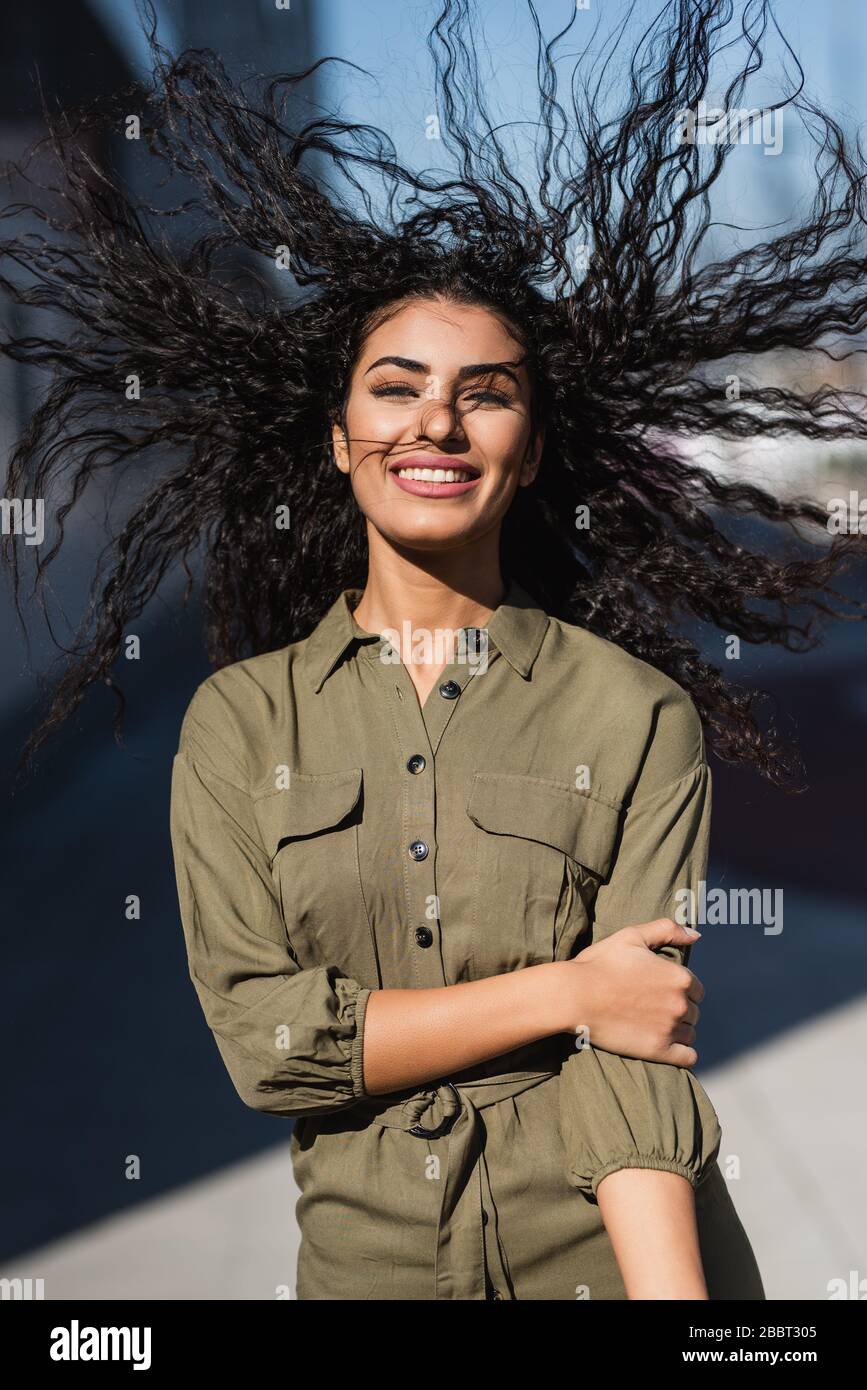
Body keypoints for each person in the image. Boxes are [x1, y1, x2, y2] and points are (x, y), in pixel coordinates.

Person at [3, 0, 866, 1299]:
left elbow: (635, 1069)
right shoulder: (240, 728)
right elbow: (270, 1044)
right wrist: (566, 989)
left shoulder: (634, 717)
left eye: (488, 390)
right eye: (395, 385)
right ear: (339, 434)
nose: (438, 423)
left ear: (534, 446)